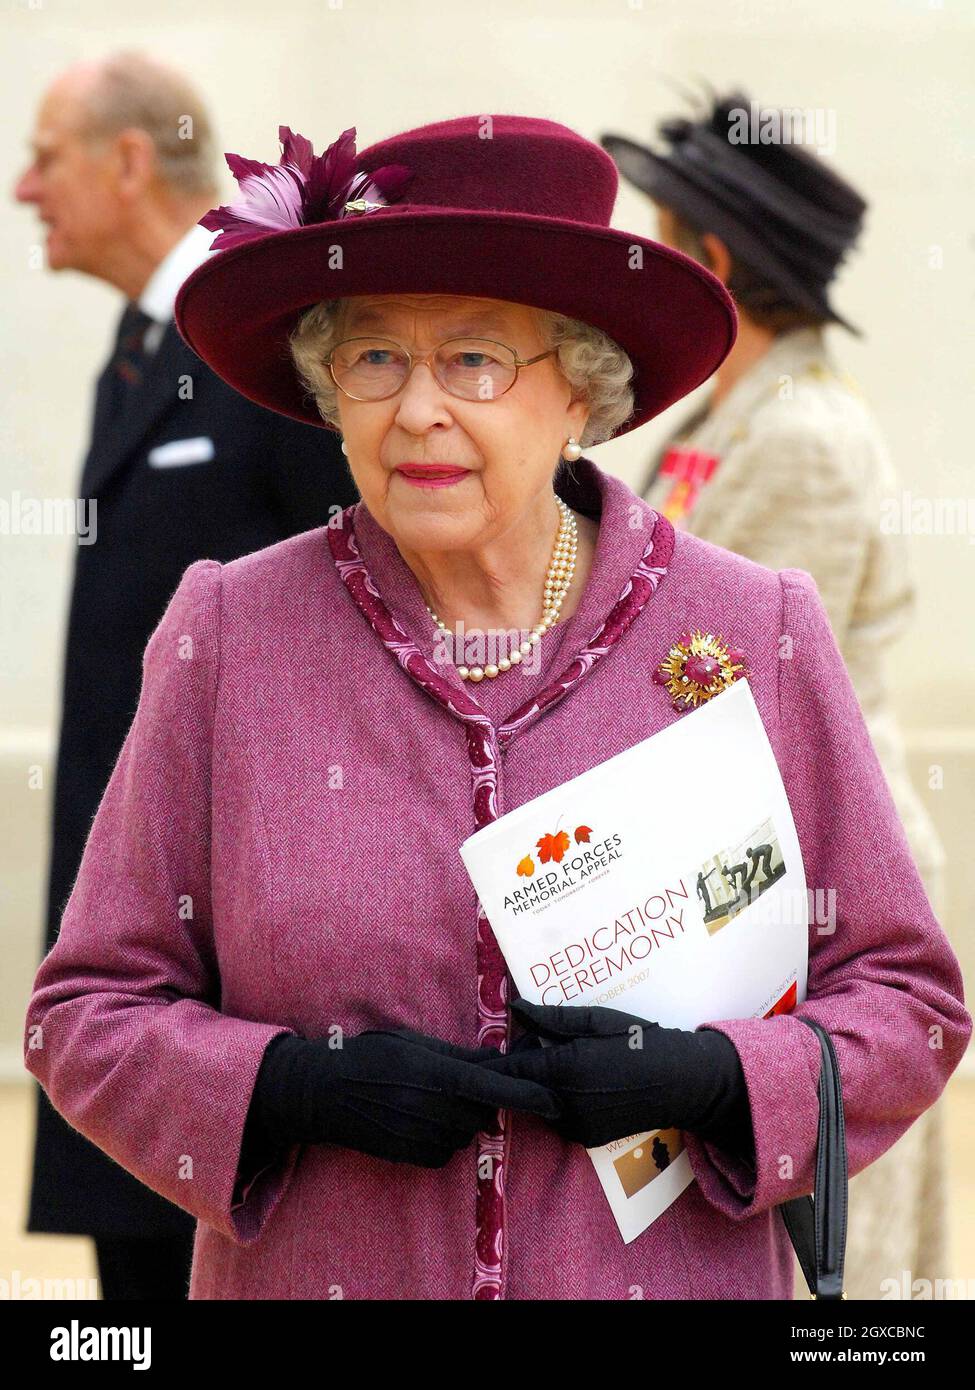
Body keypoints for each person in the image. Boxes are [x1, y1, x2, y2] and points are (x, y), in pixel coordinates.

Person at [23, 113, 970, 1301]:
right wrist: (285, 1089)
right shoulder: (231, 635)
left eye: (474, 359)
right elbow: (85, 1013)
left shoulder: (749, 628)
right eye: (374, 359)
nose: (417, 408)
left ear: (582, 388)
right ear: (329, 392)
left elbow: (908, 1002)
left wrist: (723, 1082)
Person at [13, 53, 357, 1299]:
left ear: (123, 159)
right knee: (129, 1280)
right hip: (133, 915)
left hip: (231, 930)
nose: (21, 188)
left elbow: (353, 610)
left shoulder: (255, 346)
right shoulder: (138, 344)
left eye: (45, 156)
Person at [601, 92, 954, 1300]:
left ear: (711, 263)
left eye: (660, 241)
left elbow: (712, 669)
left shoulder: (800, 430)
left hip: (814, 861)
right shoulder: (741, 412)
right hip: (750, 850)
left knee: (832, 1242)